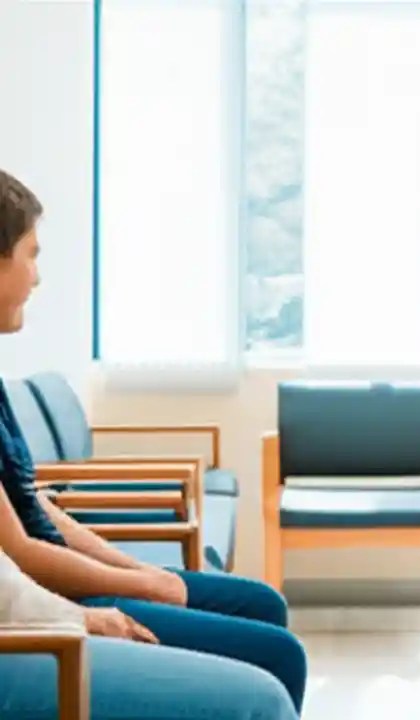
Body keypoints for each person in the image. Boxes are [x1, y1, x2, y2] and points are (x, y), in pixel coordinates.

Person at [0, 169, 306, 713]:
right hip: (47, 602)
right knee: (277, 656)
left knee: (264, 610)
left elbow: (34, 507)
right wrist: (131, 590)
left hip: (51, 590)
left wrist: (137, 570)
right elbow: (21, 552)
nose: (39, 277)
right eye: (31, 253)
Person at [0, 548, 298, 719]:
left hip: (33, 610)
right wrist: (77, 616)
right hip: (30, 628)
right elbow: (20, 546)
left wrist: (144, 573)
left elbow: (41, 514)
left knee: (268, 616)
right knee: (266, 697)